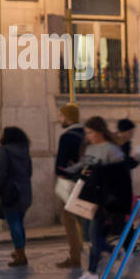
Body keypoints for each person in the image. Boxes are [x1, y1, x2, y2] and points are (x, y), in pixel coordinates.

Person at [64, 116, 131, 279]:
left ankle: (93, 272)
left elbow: (120, 175)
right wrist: (75, 172)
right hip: (93, 196)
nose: (88, 136)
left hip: (107, 200)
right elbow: (86, 168)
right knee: (93, 236)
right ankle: (117, 254)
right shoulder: (90, 149)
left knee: (94, 236)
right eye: (86, 133)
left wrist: (99, 172)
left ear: (100, 131)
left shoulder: (112, 149)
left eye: (90, 132)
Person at [0, 126, 33, 267]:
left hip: (9, 192)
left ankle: (20, 255)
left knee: (13, 223)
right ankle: (20, 250)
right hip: (25, 191)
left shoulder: (4, 150)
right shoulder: (25, 150)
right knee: (19, 223)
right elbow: (29, 171)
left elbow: (1, 172)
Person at [53, 103, 86, 269]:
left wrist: (60, 174)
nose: (60, 119)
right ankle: (99, 250)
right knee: (85, 218)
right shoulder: (86, 134)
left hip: (70, 184)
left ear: (68, 118)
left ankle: (75, 257)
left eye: (61, 116)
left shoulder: (67, 137)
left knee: (69, 219)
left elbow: (60, 164)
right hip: (86, 182)